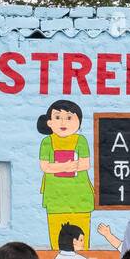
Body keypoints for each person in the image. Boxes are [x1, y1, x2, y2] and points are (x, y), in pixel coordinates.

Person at [37, 100, 94, 247]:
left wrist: (58, 166)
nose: (63, 122)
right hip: (55, 199)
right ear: (49, 122)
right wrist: (70, 165)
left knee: (81, 242)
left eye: (69, 118)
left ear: (79, 123)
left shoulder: (81, 140)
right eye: (57, 117)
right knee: (57, 240)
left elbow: (85, 164)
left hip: (80, 198)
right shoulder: (47, 142)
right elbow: (45, 167)